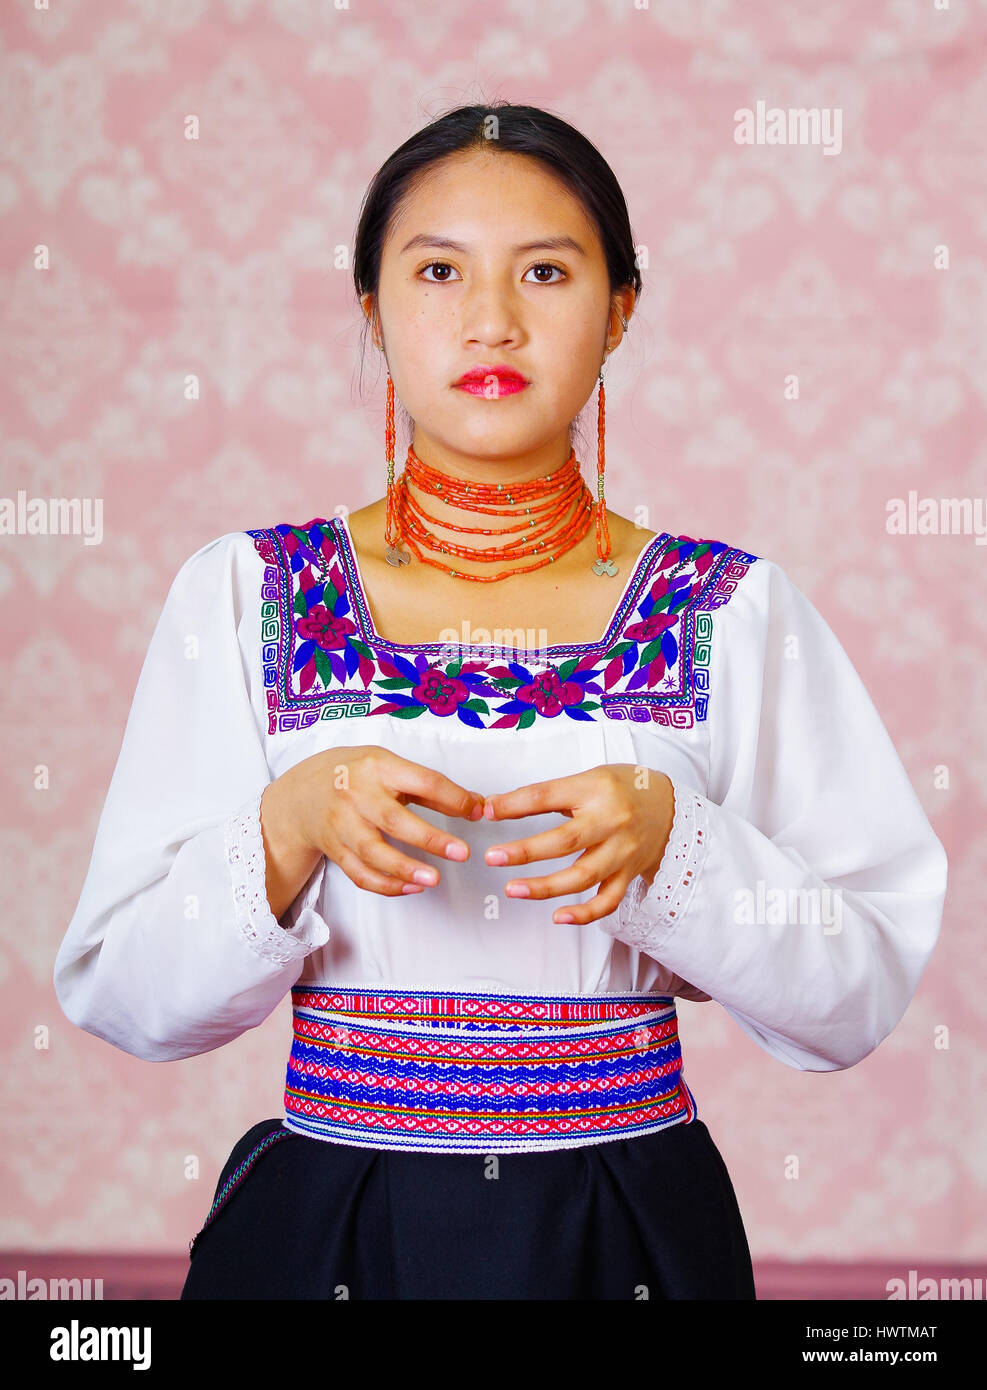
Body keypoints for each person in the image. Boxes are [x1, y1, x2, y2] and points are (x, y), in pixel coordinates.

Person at [53, 102, 947, 1301]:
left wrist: (679, 842)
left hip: (626, 1226)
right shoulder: (249, 594)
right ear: (370, 306)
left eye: (545, 269)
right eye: (436, 271)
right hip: (331, 1228)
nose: (491, 319)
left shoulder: (729, 609)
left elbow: (857, 989)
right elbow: (124, 994)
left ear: (622, 308)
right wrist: (288, 825)